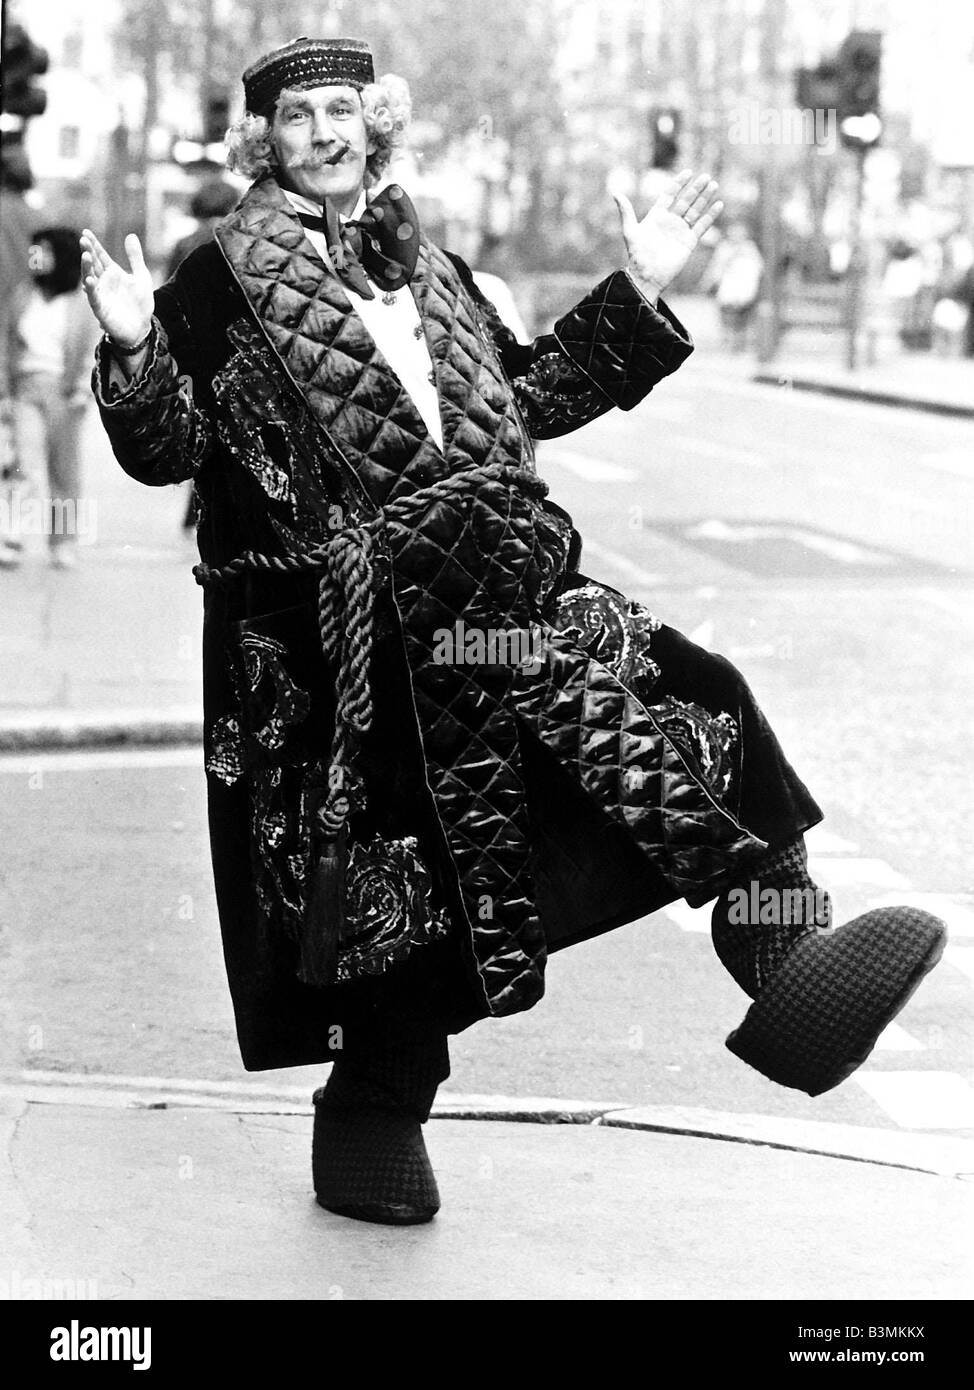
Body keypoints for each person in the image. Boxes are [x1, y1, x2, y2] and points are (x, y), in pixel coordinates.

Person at [81, 37, 945, 1227]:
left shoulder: (435, 265)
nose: (326, 133)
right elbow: (168, 449)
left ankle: (783, 964)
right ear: (264, 143)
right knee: (406, 887)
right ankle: (373, 1108)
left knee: (694, 702)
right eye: (298, 118)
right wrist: (131, 347)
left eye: (344, 109)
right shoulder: (214, 279)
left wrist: (634, 287)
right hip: (348, 651)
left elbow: (527, 392)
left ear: (373, 123)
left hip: (502, 601)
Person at [6, 226, 97, 568]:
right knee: (22, 467)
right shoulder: (23, 294)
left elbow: (91, 351)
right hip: (26, 388)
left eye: (42, 251)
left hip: (64, 390)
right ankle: (12, 534)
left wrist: (83, 391)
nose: (34, 257)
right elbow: (7, 344)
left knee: (65, 472)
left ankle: (63, 541)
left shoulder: (80, 301)